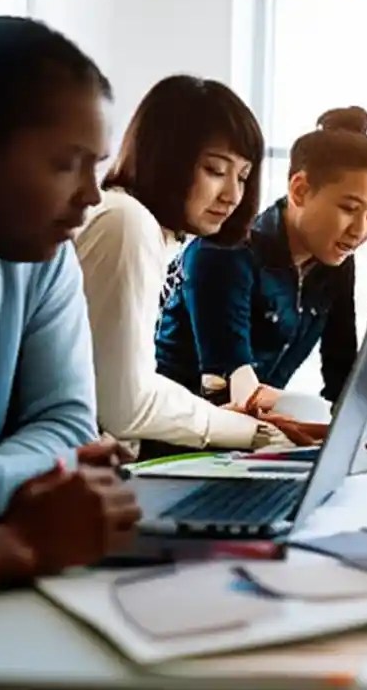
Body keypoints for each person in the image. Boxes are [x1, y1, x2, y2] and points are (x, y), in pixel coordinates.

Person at [0, 16, 140, 604]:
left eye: (96, 165)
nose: (92, 196)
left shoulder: (42, 254)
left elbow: (68, 422)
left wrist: (51, 469)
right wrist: (57, 477)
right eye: (66, 163)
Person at [75, 75, 280, 457]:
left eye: (243, 176)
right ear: (166, 159)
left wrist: (223, 420)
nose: (233, 195)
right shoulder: (127, 222)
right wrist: (253, 432)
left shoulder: (155, 235)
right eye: (215, 170)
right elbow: (125, 405)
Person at [156, 107, 367, 411]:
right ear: (300, 190)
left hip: (252, 429)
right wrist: (313, 414)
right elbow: (229, 388)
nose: (360, 231)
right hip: (178, 426)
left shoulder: (336, 262)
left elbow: (341, 375)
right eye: (349, 208)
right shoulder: (223, 252)